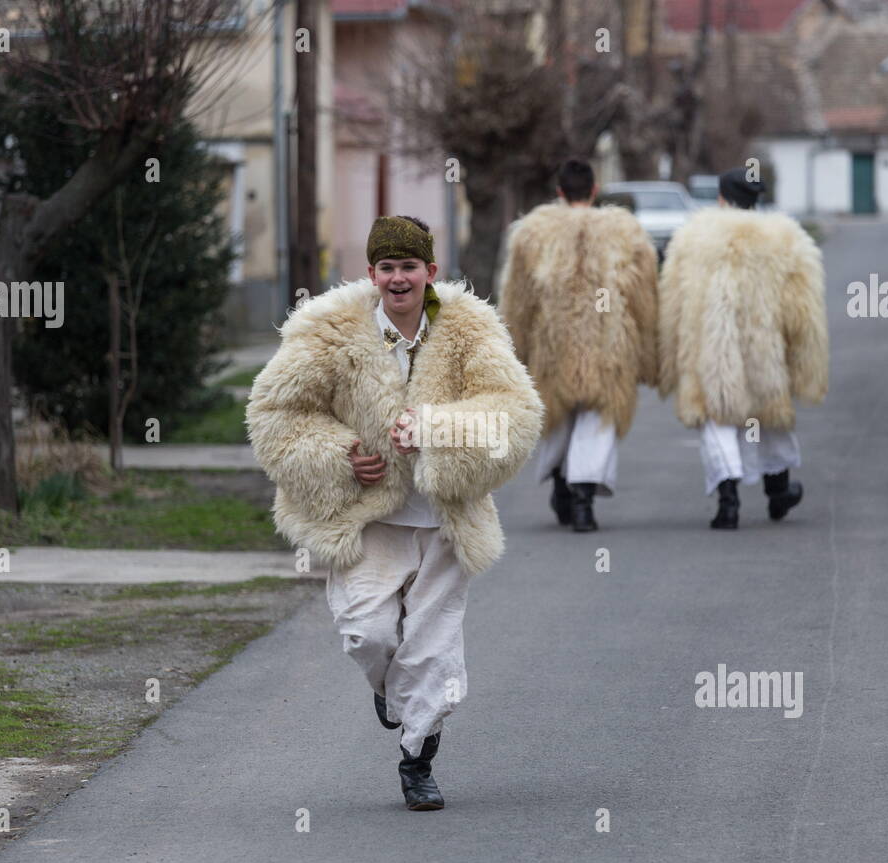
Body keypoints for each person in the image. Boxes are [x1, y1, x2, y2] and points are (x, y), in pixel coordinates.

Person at [245, 215, 543, 810]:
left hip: (444, 517)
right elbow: (275, 413)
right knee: (368, 633)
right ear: (372, 273)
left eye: (410, 266)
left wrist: (436, 430)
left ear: (431, 272)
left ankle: (418, 761)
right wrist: (341, 456)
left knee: (432, 648)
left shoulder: (469, 329)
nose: (398, 278)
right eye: (387, 267)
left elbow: (514, 414)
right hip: (367, 516)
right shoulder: (328, 331)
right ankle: (392, 692)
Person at [655, 167, 828, 529]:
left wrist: (669, 359)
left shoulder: (691, 240)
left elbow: (671, 304)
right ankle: (777, 491)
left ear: (721, 199)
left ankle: (728, 500)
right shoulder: (785, 239)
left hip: (709, 353)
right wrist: (803, 365)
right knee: (770, 420)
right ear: (757, 200)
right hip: (765, 351)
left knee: (717, 420)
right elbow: (803, 313)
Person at [497, 158, 659, 532]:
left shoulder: (532, 234)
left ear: (559, 192)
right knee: (598, 418)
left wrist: (515, 353)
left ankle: (561, 485)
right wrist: (649, 354)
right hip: (609, 345)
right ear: (595, 190)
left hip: (551, 346)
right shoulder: (627, 233)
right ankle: (583, 498)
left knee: (556, 416)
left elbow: (518, 301)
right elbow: (643, 298)